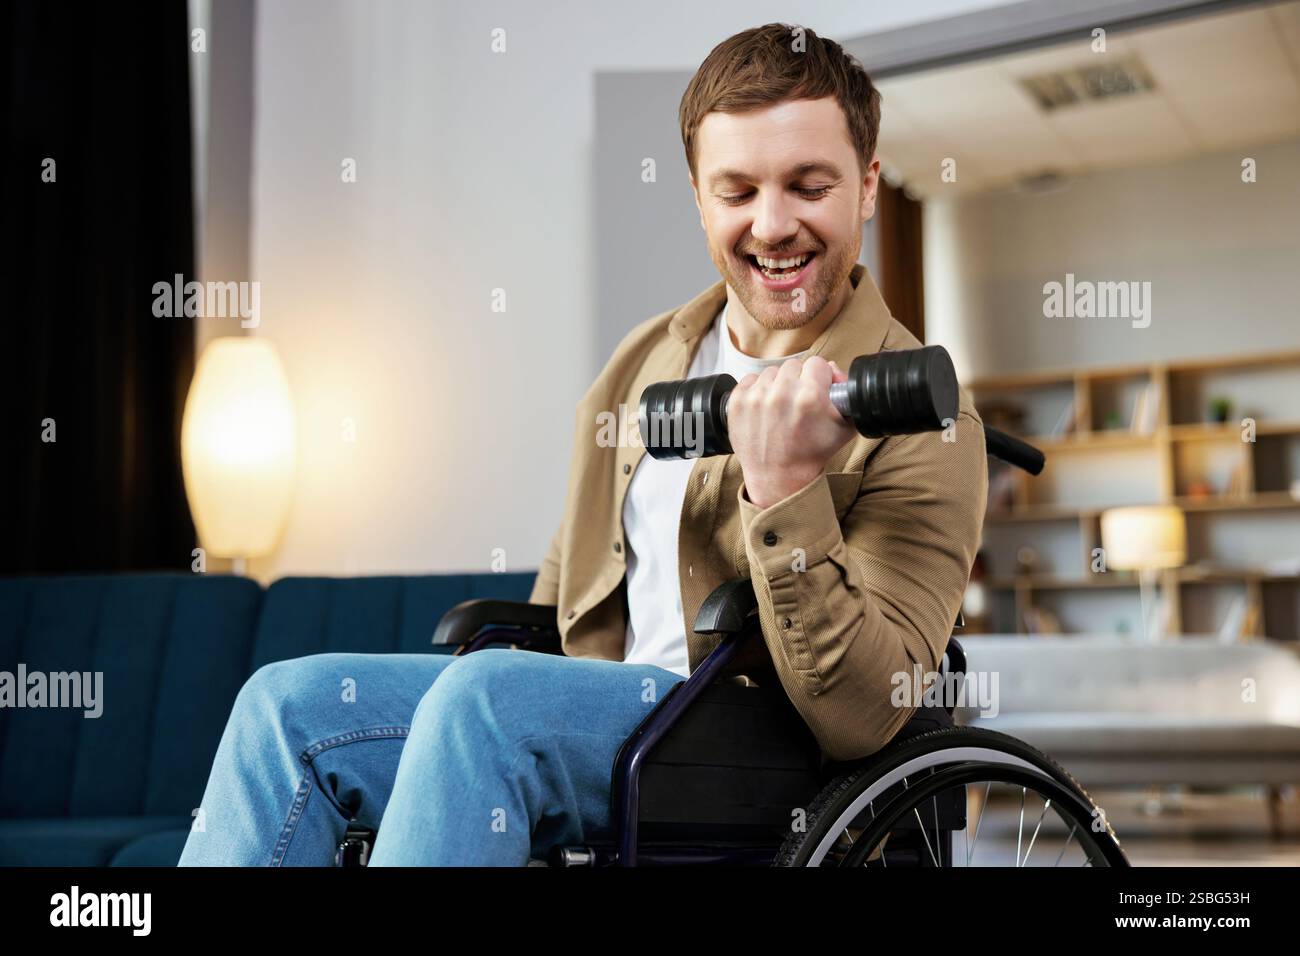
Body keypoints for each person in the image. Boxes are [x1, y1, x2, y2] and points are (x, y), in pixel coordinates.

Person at [178, 21, 986, 867]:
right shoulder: (641, 364)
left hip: (767, 751)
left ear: (865, 186)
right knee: (285, 704)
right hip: (605, 724)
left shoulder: (929, 418)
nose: (772, 224)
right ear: (699, 198)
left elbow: (864, 714)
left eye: (807, 186)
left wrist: (784, 489)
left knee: (488, 703)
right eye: (738, 191)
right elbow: (563, 598)